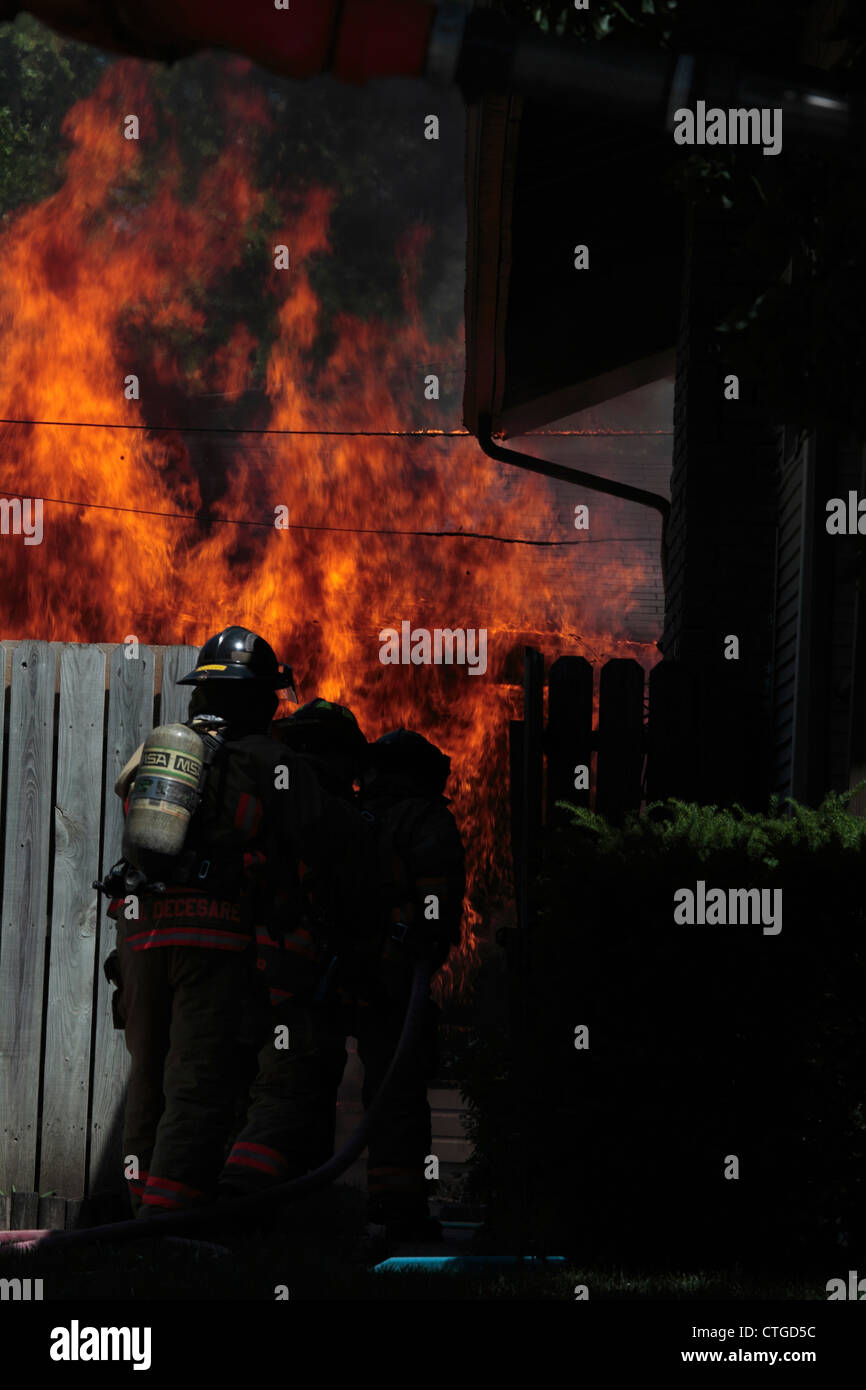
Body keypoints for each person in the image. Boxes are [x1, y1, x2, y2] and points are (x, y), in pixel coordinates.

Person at [104, 626, 346, 1217]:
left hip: (139, 937)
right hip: (210, 939)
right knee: (196, 1083)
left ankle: (137, 1217)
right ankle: (166, 1231)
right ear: (257, 698)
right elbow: (332, 845)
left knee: (149, 1077)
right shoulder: (273, 762)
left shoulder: (159, 752)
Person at [221, 709, 465, 1244]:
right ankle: (395, 1209)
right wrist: (418, 947)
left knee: (311, 1078)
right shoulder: (424, 819)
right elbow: (437, 901)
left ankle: (291, 1200)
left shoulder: (347, 812)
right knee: (394, 1092)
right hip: (393, 979)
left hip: (331, 972)